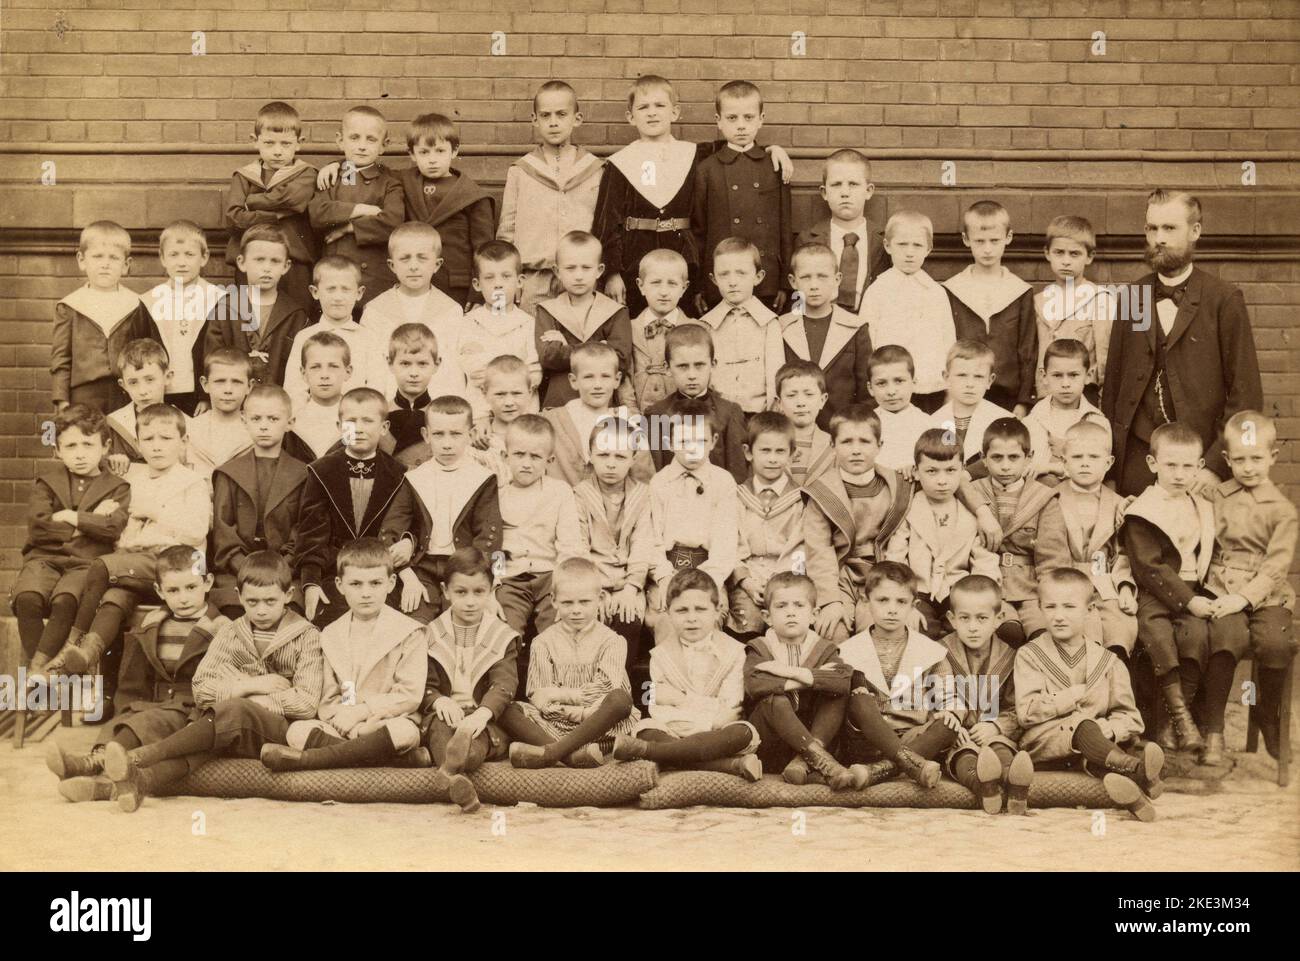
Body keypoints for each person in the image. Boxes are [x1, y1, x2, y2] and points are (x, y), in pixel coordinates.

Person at [102, 551, 324, 813]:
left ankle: (139, 757)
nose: (261, 610)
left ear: (288, 596)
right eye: (252, 602)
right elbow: (202, 688)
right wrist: (248, 687)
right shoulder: (231, 631)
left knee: (231, 712)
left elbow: (307, 702)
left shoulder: (306, 635)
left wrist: (249, 702)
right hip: (229, 722)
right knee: (210, 735)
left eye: (270, 601)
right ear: (239, 597)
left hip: (278, 729)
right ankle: (138, 782)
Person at [1102, 189, 1262, 496]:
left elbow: (1246, 395)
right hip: (1138, 460)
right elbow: (1113, 390)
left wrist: (1215, 466)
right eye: (1152, 228)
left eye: (1169, 228)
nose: (1158, 238)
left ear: (1195, 231)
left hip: (1197, 464)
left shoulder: (1223, 299)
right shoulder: (1134, 297)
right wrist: (1112, 471)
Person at [44, 545, 230, 803]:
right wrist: (128, 707)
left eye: (191, 587)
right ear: (158, 591)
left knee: (145, 723)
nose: (184, 598)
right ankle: (95, 775)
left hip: (191, 709)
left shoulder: (221, 629)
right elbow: (133, 677)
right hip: (154, 702)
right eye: (173, 590)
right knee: (125, 721)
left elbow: (227, 680)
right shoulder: (152, 624)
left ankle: (88, 766)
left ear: (207, 583)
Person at [261, 539, 437, 777]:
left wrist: (363, 713)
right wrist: (351, 724)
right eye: (355, 584)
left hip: (386, 721)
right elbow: (330, 695)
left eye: (375, 583)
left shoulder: (409, 632)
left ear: (391, 583)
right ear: (340, 585)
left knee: (403, 732)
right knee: (297, 732)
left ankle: (309, 760)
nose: (366, 593)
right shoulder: (331, 634)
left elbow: (408, 695)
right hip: (343, 724)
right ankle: (391, 759)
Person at [1014, 568, 1162, 822]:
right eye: (1050, 607)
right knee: (1083, 726)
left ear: (1090, 609)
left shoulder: (1108, 661)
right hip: (1044, 744)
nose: (1059, 616)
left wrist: (1110, 730)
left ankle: (1136, 800)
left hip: (1093, 750)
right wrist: (1067, 698)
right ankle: (1135, 770)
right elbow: (1026, 712)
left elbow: (1131, 718)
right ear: (1040, 608)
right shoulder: (1030, 655)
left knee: (1096, 744)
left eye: (1069, 607)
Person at [1202, 410, 1298, 766]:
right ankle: (1214, 730)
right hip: (1219, 587)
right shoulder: (1217, 497)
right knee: (1225, 641)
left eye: (1256, 458)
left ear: (1272, 457)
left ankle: (1264, 714)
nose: (1248, 467)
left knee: (1276, 644)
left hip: (1264, 594)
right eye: (1239, 459)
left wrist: (1243, 598)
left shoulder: (1282, 510)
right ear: (1226, 459)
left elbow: (1276, 567)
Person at [611, 569, 762, 781]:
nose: (692, 618)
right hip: (676, 730)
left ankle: (650, 752)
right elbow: (657, 708)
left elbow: (730, 708)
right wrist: (705, 713)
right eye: (682, 610)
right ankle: (727, 765)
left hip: (717, 732)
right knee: (645, 728)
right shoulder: (661, 654)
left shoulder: (734, 652)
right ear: (669, 614)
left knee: (741, 733)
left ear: (717, 610)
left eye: (700, 609)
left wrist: (682, 700)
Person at [12, 405, 129, 676]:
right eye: (71, 446)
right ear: (57, 450)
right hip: (43, 559)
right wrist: (88, 521)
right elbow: (39, 527)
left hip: (84, 563)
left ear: (105, 447)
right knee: (27, 598)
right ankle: (42, 672)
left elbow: (113, 528)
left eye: (88, 444)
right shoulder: (47, 483)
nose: (79, 454)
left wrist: (69, 517)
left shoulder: (116, 487)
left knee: (65, 601)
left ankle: (38, 670)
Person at [1122, 421, 1217, 752]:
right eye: (1170, 465)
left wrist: (1197, 601)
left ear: (1200, 467)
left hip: (1193, 591)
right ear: (1153, 464)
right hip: (1155, 593)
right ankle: (1181, 718)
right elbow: (1149, 567)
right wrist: (1189, 600)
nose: (1179, 474)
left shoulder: (1201, 506)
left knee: (1198, 636)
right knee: (1157, 636)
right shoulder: (1143, 511)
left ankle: (1171, 723)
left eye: (1187, 466)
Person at [501, 557, 639, 768]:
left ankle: (551, 753)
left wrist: (567, 699)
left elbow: (607, 687)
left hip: (599, 723)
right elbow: (540, 696)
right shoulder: (543, 643)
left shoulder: (613, 641)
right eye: (567, 603)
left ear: (600, 598)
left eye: (584, 602)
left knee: (620, 699)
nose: (576, 610)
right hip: (556, 724)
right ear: (554, 600)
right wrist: (566, 711)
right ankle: (571, 755)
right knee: (509, 710)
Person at [297, 387, 416, 627]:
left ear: (384, 428)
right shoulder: (322, 472)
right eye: (351, 421)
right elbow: (311, 535)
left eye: (368, 421)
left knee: (391, 625)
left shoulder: (399, 474)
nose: (359, 428)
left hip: (381, 573)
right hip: (336, 572)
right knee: (329, 624)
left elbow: (411, 521)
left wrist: (408, 541)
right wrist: (311, 583)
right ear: (339, 425)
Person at [744, 571, 868, 789]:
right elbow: (755, 684)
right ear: (767, 616)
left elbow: (842, 680)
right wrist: (815, 678)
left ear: (814, 614)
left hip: (813, 736)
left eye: (799, 606)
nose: (790, 613)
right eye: (781, 606)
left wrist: (788, 672)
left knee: (837, 695)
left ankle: (806, 762)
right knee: (775, 699)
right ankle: (822, 762)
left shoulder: (824, 648)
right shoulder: (760, 647)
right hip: (771, 743)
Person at [421, 547, 521, 809]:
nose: (470, 601)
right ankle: (457, 778)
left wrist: (482, 714)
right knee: (441, 734)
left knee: (477, 743)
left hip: (481, 715)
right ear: (445, 591)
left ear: (490, 591)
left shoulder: (500, 634)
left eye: (479, 592)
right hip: (446, 712)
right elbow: (422, 682)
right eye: (460, 592)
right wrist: (439, 701)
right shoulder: (431, 633)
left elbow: (504, 682)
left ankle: (450, 774)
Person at [498, 81, 605, 316]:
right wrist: (510, 277)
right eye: (545, 115)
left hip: (582, 277)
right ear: (534, 119)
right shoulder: (521, 170)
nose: (553, 122)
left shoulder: (596, 170)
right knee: (535, 343)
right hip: (535, 279)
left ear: (577, 118)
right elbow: (507, 229)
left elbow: (604, 228)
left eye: (561, 114)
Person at [932, 575, 1034, 815]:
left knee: (1001, 749)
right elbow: (939, 696)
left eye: (982, 618)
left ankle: (1015, 783)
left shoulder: (1010, 657)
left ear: (998, 619)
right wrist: (952, 725)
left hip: (993, 733)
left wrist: (997, 727)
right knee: (964, 757)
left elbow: (1014, 707)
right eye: (964, 618)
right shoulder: (941, 653)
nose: (973, 627)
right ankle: (984, 788)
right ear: (952, 620)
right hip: (958, 737)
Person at [884, 429, 1000, 639]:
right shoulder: (908, 509)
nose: (942, 480)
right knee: (919, 630)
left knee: (968, 630)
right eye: (932, 471)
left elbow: (985, 562)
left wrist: (979, 601)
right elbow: (895, 560)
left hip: (959, 592)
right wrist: (903, 602)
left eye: (950, 470)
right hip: (918, 593)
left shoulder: (972, 513)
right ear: (916, 472)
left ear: (962, 470)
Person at [691, 80, 792, 313]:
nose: (741, 126)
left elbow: (784, 229)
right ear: (719, 121)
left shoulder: (774, 165)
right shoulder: (707, 169)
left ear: (761, 119)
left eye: (748, 117)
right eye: (732, 118)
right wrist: (700, 286)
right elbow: (698, 232)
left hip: (766, 280)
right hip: (722, 281)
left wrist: (784, 283)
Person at [210, 385, 308, 617]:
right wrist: (246, 569)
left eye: (273, 418)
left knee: (290, 614)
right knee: (232, 613)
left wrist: (281, 569)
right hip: (238, 574)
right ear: (244, 420)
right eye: (256, 418)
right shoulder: (228, 473)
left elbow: (303, 530)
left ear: (290, 422)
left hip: (286, 574)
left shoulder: (303, 474)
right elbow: (223, 533)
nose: (263, 425)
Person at [492, 415, 587, 637]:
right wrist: (495, 584)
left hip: (550, 577)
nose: (526, 463)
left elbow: (569, 545)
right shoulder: (497, 494)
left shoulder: (559, 492)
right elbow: (495, 546)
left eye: (535, 456)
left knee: (558, 631)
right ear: (505, 456)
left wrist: (564, 587)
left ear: (550, 460)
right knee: (505, 632)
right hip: (511, 579)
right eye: (519, 454)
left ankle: (556, 671)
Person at [51, 220, 157, 413]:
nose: (105, 264)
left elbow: (145, 352)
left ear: (126, 265)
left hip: (126, 392)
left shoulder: (136, 304)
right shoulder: (70, 306)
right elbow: (61, 358)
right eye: (97, 257)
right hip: (83, 394)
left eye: (114, 258)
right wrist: (62, 400)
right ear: (82, 260)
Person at [942, 200, 1036, 416]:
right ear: (966, 240)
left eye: (994, 241)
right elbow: (945, 344)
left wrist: (1023, 402)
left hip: (1007, 398)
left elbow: (1028, 350)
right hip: (962, 395)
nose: (987, 249)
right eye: (979, 241)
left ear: (1008, 237)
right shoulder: (952, 289)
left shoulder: (1019, 291)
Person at [307, 105, 404, 311]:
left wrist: (348, 227)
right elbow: (318, 213)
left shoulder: (389, 182)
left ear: (383, 145)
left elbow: (393, 222)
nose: (362, 146)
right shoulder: (333, 176)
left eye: (371, 139)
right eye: (354, 138)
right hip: (335, 278)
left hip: (374, 279)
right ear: (340, 140)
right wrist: (362, 209)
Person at [859, 211, 956, 414]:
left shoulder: (936, 292)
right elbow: (866, 342)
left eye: (917, 245)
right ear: (887, 246)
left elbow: (949, 341)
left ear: (928, 249)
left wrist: (949, 387)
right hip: (890, 390)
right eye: (902, 245)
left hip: (930, 388)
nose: (910, 253)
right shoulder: (878, 290)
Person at [224, 101, 318, 308]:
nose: (277, 151)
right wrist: (276, 216)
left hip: (293, 261)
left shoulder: (306, 173)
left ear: (299, 143)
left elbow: (292, 200)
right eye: (269, 143)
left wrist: (252, 202)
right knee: (247, 314)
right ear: (255, 141)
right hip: (251, 261)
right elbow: (233, 218)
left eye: (285, 144)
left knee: (295, 312)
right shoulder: (244, 176)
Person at [397, 113, 495, 308]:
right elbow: (369, 169)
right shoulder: (404, 181)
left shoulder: (472, 196)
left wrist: (477, 295)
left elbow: (483, 251)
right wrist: (340, 166)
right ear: (412, 155)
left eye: (440, 151)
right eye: (424, 152)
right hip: (413, 280)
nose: (432, 159)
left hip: (454, 284)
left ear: (454, 151)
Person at [202, 223, 311, 389]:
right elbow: (211, 359)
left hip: (277, 402)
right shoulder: (225, 309)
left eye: (275, 261)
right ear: (242, 262)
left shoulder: (295, 314)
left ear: (286, 266)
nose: (267, 268)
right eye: (259, 260)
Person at [534, 231, 634, 410]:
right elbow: (548, 356)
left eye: (586, 268)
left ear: (599, 270)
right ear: (557, 271)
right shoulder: (548, 310)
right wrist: (600, 347)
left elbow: (621, 359)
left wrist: (566, 347)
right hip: (560, 402)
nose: (578, 275)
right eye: (570, 268)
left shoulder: (615, 312)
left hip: (604, 403)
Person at [780, 243, 872, 429]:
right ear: (792, 281)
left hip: (841, 432)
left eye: (822, 277)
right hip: (792, 434)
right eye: (806, 277)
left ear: (837, 279)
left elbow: (866, 393)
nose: (814, 285)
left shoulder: (855, 327)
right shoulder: (780, 327)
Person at [729, 411, 804, 638]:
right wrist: (746, 581)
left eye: (780, 451)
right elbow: (729, 544)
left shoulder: (800, 499)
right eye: (765, 450)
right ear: (748, 453)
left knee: (789, 621)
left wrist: (783, 583)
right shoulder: (736, 496)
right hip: (748, 580)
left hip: (787, 580)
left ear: (792, 456)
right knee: (747, 621)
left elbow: (800, 549)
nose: (772, 458)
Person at [643, 323, 749, 482]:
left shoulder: (729, 412)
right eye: (682, 366)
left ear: (713, 365)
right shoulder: (657, 414)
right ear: (667, 368)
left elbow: (737, 474)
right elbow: (654, 474)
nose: (692, 375)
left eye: (699, 365)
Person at [144, 220, 230, 415]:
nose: (181, 262)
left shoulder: (217, 299)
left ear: (204, 257)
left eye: (190, 255)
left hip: (200, 397)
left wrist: (207, 397)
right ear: (162, 258)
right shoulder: (150, 300)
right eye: (174, 255)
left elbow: (220, 354)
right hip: (159, 395)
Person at [692, 238, 784, 417]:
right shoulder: (707, 325)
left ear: (758, 277)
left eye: (741, 273)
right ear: (714, 279)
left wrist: (771, 418)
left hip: (758, 415)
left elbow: (775, 375)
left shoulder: (769, 323)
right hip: (717, 416)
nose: (732, 282)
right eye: (724, 274)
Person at [1033, 215, 1114, 405]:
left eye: (1074, 254)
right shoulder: (1038, 301)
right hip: (1044, 399)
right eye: (1059, 253)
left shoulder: (1099, 300)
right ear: (1047, 253)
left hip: (1085, 396)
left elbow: (1105, 360)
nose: (1066, 261)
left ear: (1089, 257)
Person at [795, 148, 886, 312]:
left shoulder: (885, 241)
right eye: (836, 184)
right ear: (824, 192)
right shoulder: (807, 239)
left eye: (853, 184)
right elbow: (797, 294)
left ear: (868, 191)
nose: (845, 193)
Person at [628, 248, 699, 410]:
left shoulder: (696, 329)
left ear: (684, 288)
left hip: (683, 416)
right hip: (639, 416)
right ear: (641, 286)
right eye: (656, 283)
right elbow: (624, 379)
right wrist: (632, 415)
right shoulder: (630, 329)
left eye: (672, 284)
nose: (664, 292)